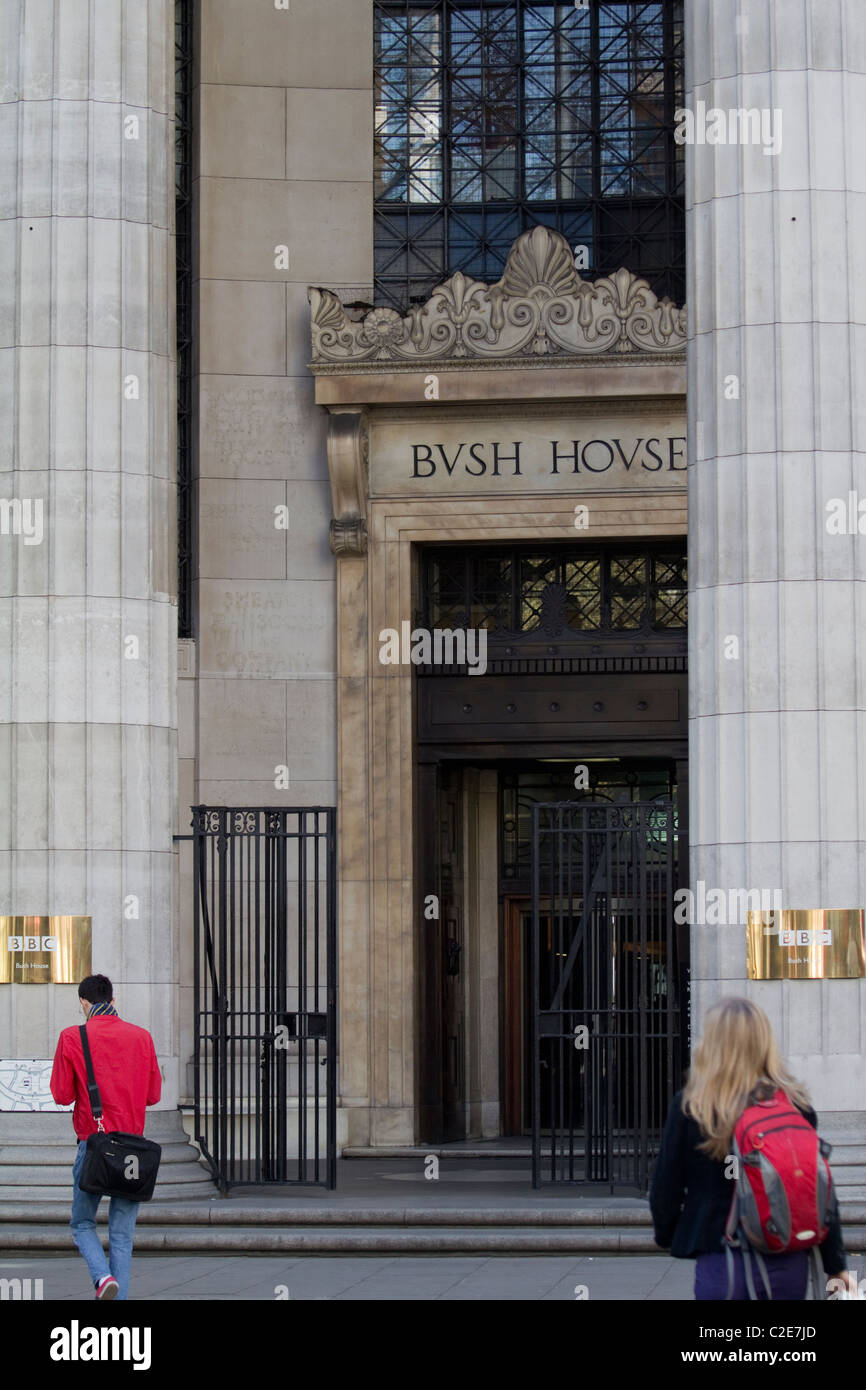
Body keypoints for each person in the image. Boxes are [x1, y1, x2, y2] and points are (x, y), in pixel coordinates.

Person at [650, 996, 854, 1300]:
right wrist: (835, 1264)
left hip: (722, 1258)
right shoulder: (795, 1105)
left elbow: (665, 1187)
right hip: (787, 1259)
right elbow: (819, 1188)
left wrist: (669, 1233)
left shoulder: (693, 1107)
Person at [50, 974, 162, 1300]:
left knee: (82, 1223)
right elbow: (153, 1095)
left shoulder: (73, 1037)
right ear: (112, 1001)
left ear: (84, 1004)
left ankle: (102, 1278)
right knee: (123, 1235)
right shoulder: (142, 1037)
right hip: (133, 1150)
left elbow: (60, 1094)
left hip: (94, 1145)